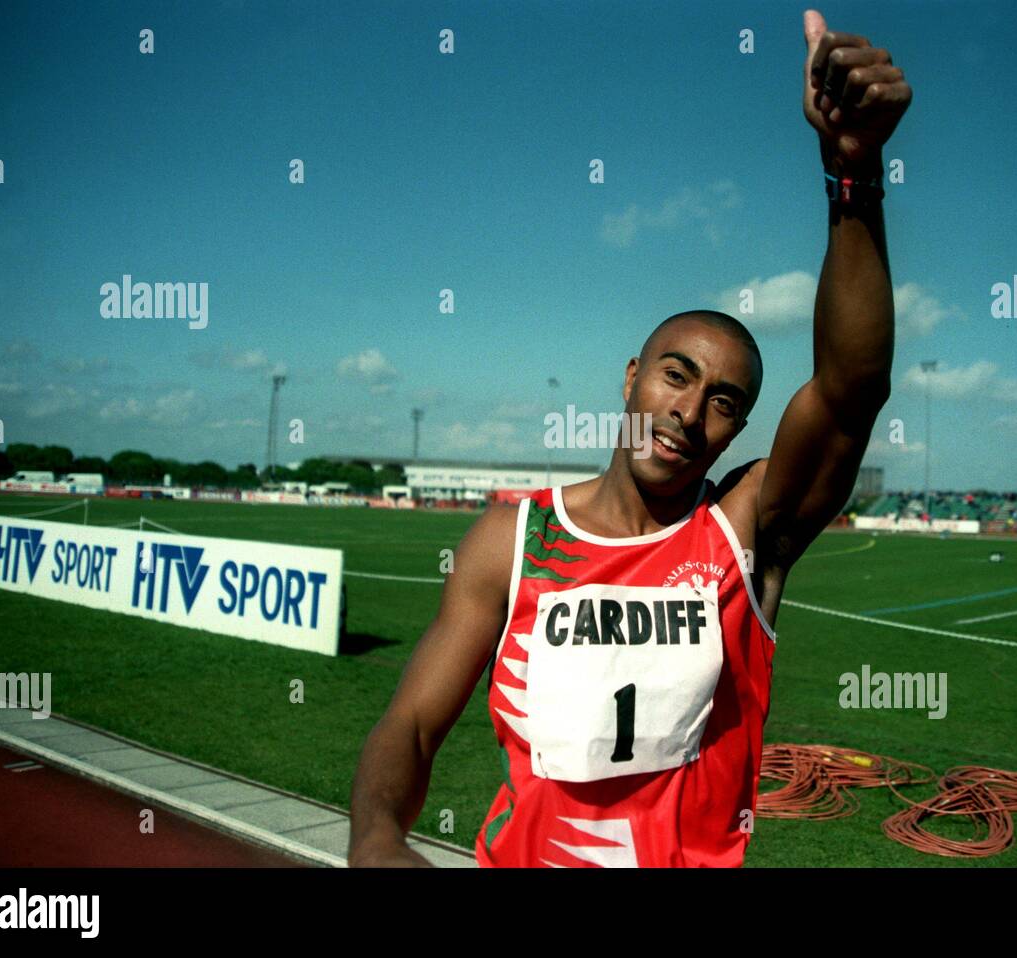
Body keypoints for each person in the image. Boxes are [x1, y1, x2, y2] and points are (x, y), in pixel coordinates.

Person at [347, 8, 911, 868]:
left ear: (737, 430)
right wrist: (377, 838)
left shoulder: (744, 533)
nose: (689, 411)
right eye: (674, 375)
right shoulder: (514, 539)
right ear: (629, 377)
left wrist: (854, 174)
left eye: (723, 401)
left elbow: (851, 388)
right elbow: (413, 726)